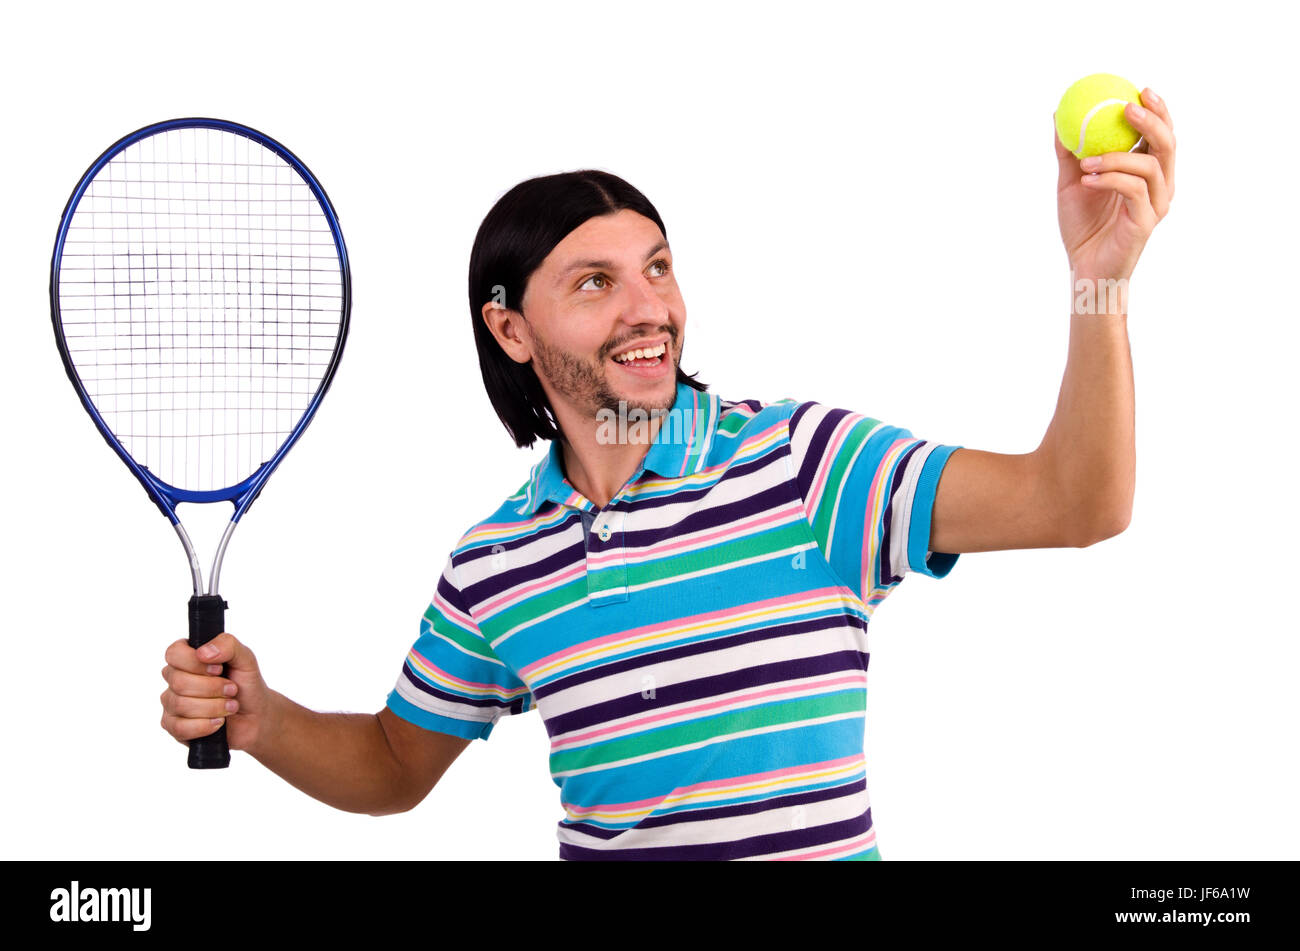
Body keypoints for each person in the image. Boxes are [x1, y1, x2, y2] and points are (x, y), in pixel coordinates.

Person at [160, 90, 1176, 859]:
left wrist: (1097, 286)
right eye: (594, 282)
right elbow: (393, 764)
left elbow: (1076, 502)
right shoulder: (495, 564)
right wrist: (265, 720)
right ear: (509, 328)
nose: (648, 306)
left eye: (656, 267)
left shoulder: (803, 465)